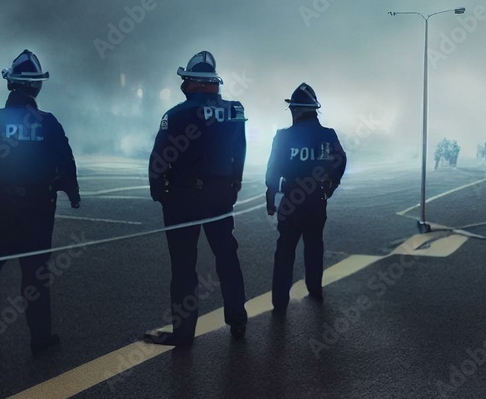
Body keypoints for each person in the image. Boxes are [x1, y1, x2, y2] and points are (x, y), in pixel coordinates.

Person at [0, 50, 79, 355]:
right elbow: (65, 161)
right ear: (36, 87)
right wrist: (72, 192)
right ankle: (40, 337)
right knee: (36, 272)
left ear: (10, 84)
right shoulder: (47, 122)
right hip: (37, 209)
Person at [144, 51, 248, 346]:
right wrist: (234, 183)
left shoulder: (176, 114)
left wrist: (158, 191)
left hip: (183, 196)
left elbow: (160, 157)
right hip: (220, 193)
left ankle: (184, 333)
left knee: (184, 265)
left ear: (191, 82)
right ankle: (237, 318)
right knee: (226, 256)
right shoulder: (234, 110)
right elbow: (239, 150)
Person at [265, 83, 347, 314]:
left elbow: (273, 169)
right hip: (315, 200)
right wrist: (331, 185)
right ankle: (315, 288)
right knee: (314, 245)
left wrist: (271, 197)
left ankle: (280, 301)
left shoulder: (283, 136)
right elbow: (340, 160)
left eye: (292, 109)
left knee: (285, 250)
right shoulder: (327, 135)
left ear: (298, 110)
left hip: (291, 199)